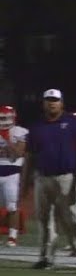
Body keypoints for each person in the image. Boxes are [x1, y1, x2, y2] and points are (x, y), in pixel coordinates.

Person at [23, 89, 76, 270]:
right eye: (48, 100)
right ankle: (46, 256)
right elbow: (30, 156)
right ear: (43, 103)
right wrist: (25, 181)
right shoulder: (37, 126)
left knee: (73, 216)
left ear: (61, 103)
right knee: (44, 219)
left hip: (67, 176)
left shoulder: (74, 123)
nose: (52, 103)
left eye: (55, 100)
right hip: (42, 177)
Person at [0, 105, 28, 247]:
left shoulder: (20, 132)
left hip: (12, 173)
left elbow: (18, 153)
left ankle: (12, 236)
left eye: (6, 118)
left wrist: (7, 140)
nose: (3, 121)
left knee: (12, 206)